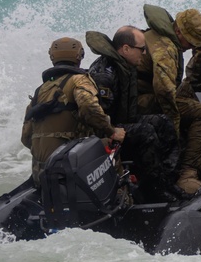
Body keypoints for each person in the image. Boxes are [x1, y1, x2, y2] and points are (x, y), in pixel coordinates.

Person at [86, 26, 183, 201]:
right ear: (126, 49)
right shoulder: (104, 75)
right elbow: (97, 118)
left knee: (162, 122)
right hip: (107, 131)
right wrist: (112, 131)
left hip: (123, 121)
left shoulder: (126, 66)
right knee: (145, 132)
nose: (145, 53)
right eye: (142, 49)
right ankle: (154, 190)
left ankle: (167, 180)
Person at [21, 37, 125, 186]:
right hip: (69, 166)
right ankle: (121, 192)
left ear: (52, 57)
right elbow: (89, 107)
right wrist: (112, 131)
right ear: (80, 56)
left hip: (41, 173)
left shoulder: (40, 91)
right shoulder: (79, 80)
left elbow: (25, 137)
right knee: (112, 144)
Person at [136, 7, 201, 194]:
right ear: (179, 32)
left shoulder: (157, 34)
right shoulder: (166, 48)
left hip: (142, 96)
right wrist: (173, 126)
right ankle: (188, 173)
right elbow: (164, 90)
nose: (189, 47)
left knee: (187, 90)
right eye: (189, 42)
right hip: (143, 102)